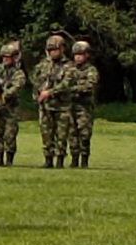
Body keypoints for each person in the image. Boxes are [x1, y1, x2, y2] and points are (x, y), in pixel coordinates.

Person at [32, 34, 74, 168]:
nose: (52, 52)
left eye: (55, 49)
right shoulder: (43, 65)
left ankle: (60, 160)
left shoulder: (69, 66)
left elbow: (66, 83)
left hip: (62, 106)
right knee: (46, 133)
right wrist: (37, 95)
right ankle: (48, 159)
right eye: (50, 50)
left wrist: (50, 92)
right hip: (45, 107)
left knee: (61, 135)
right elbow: (36, 80)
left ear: (62, 49)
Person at [0, 43, 25, 167]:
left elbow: (15, 88)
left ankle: (9, 160)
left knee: (10, 134)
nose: (5, 59)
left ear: (15, 58)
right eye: (3, 57)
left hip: (10, 109)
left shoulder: (18, 73)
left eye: (8, 57)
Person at [69, 41, 98, 169]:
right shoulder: (70, 69)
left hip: (84, 107)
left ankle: (84, 160)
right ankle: (74, 159)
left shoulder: (91, 70)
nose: (78, 57)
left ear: (87, 55)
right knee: (72, 134)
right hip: (70, 106)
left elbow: (89, 85)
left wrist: (73, 88)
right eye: (76, 55)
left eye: (81, 54)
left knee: (84, 134)